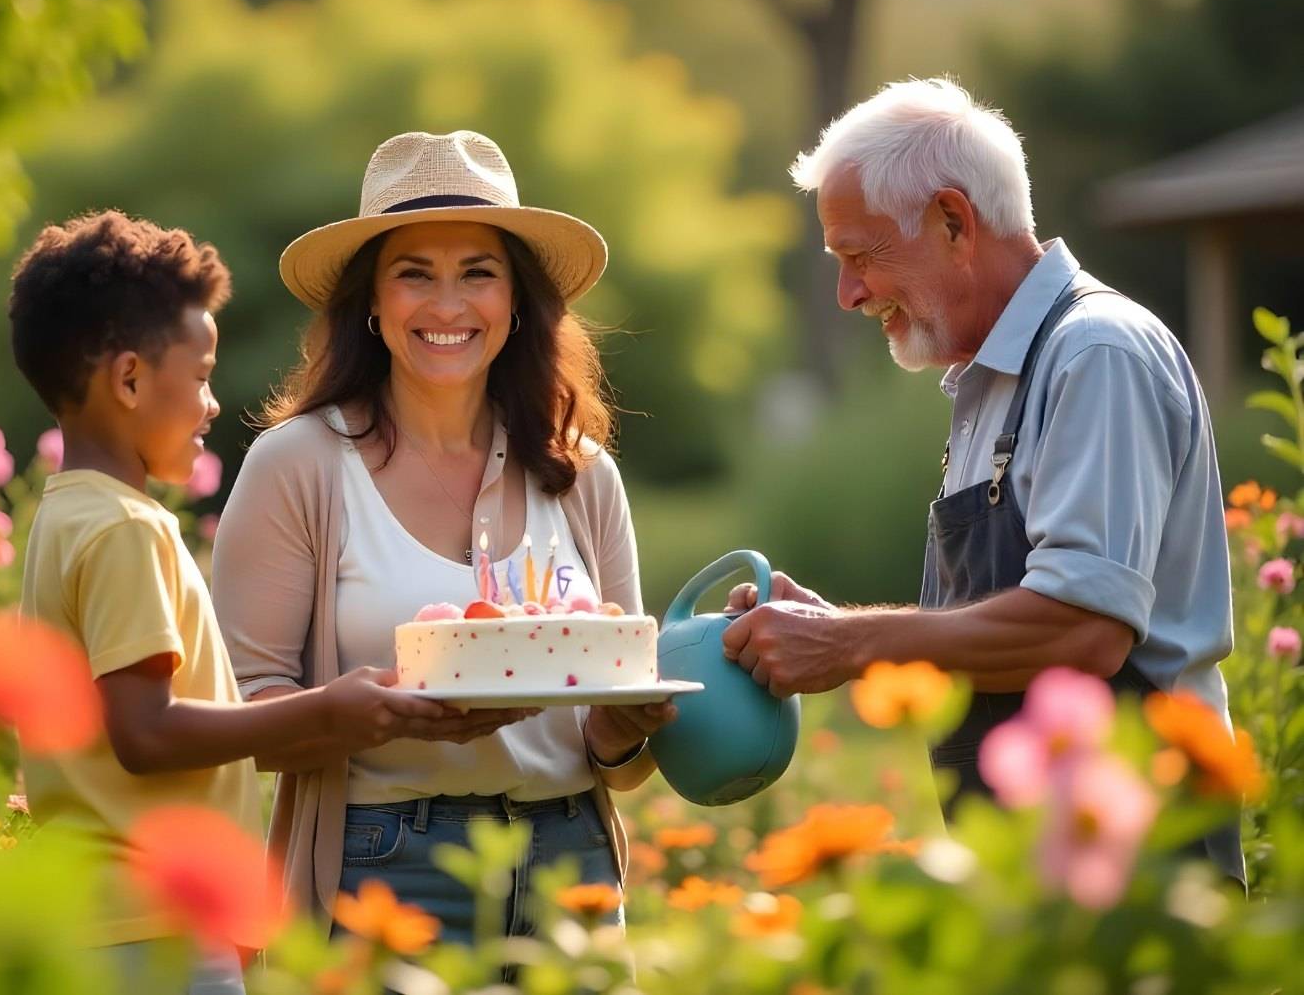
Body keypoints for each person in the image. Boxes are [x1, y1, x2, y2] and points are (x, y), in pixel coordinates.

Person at [720, 78, 1244, 882]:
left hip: (1148, 874)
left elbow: (1082, 629)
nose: (849, 294)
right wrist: (829, 627)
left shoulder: (1095, 353)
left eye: (860, 256)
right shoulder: (992, 381)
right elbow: (991, 628)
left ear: (953, 222)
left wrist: (848, 644)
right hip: (1034, 868)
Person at [210, 130, 675, 942]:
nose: (448, 306)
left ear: (518, 300)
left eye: (478, 273)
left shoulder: (582, 473)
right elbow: (243, 714)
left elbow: (620, 754)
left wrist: (626, 726)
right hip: (383, 870)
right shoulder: (300, 466)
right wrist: (375, 715)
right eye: (414, 274)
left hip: (572, 865)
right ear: (372, 299)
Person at [10, 210, 464, 992]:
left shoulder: (67, 514)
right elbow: (146, 733)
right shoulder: (126, 530)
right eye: (201, 377)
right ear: (128, 380)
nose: (213, 403)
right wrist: (330, 711)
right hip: (153, 926)